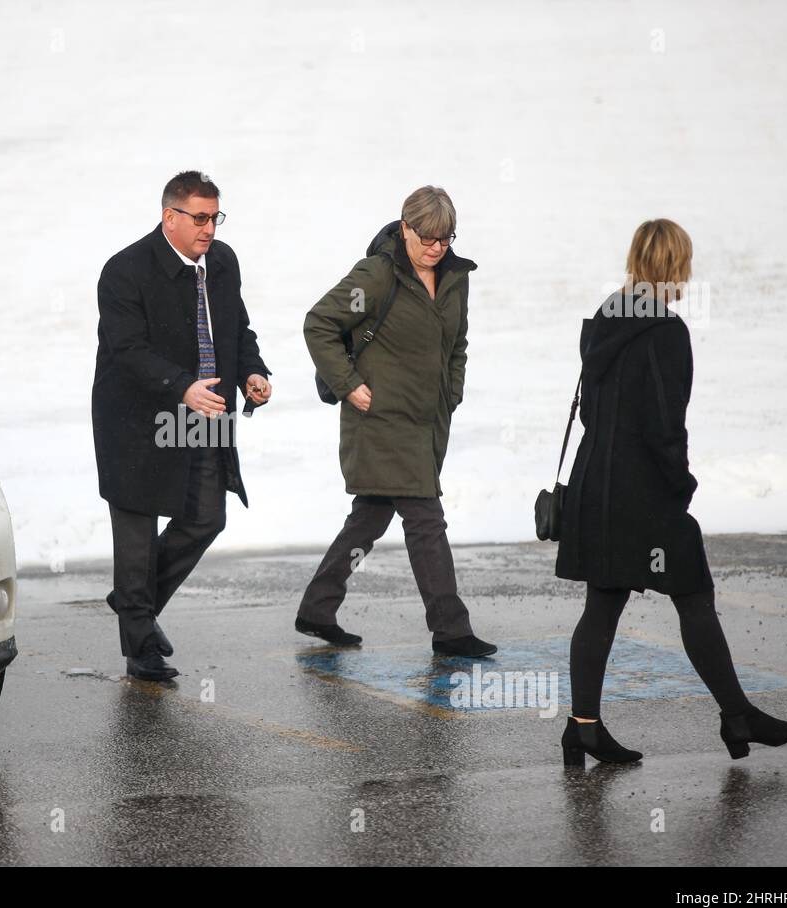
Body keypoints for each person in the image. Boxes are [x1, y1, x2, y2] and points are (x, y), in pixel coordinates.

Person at [555, 219, 787, 765]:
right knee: (694, 597)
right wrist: (680, 485)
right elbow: (666, 426)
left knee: (601, 605)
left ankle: (584, 727)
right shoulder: (666, 330)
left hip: (594, 484)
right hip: (643, 492)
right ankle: (736, 716)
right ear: (676, 266)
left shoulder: (606, 317)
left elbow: (598, 414)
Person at [297, 186, 495, 658]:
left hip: (427, 422)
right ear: (405, 227)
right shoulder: (379, 275)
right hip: (380, 420)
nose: (435, 248)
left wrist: (453, 391)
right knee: (426, 520)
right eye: (426, 237)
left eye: (445, 239)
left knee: (368, 519)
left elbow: (457, 344)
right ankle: (451, 629)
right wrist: (347, 384)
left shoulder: (453, 279)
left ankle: (318, 609)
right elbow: (319, 323)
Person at [92, 171, 272, 681]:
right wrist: (180, 386)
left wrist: (253, 371)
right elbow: (125, 350)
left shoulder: (222, 261)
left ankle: (134, 602)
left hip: (204, 410)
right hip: (134, 421)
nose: (209, 228)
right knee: (136, 535)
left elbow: (236, 324)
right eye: (199, 217)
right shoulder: (125, 271)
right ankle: (140, 647)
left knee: (206, 518)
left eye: (215, 217)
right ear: (170, 216)